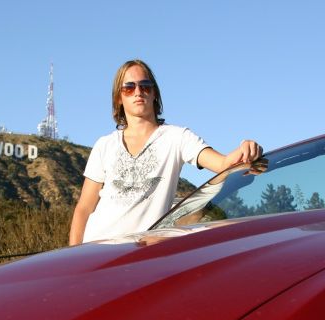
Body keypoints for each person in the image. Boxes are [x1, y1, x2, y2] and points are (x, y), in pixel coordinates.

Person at [69, 59, 263, 245]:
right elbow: (84, 208)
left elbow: (223, 164)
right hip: (96, 249)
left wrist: (246, 149)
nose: (138, 92)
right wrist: (73, 256)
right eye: (129, 88)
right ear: (119, 98)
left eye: (145, 86)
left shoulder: (177, 138)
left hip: (141, 253)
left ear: (154, 93)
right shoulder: (104, 145)